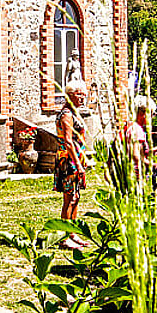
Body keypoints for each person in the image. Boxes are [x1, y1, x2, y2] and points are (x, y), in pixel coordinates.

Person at [54, 79, 90, 239]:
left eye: (84, 95)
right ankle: (65, 237)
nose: (82, 98)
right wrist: (78, 164)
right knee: (69, 198)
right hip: (68, 161)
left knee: (76, 197)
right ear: (69, 95)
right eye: (79, 95)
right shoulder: (67, 115)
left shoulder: (73, 113)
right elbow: (68, 141)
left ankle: (73, 233)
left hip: (76, 159)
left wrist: (84, 158)